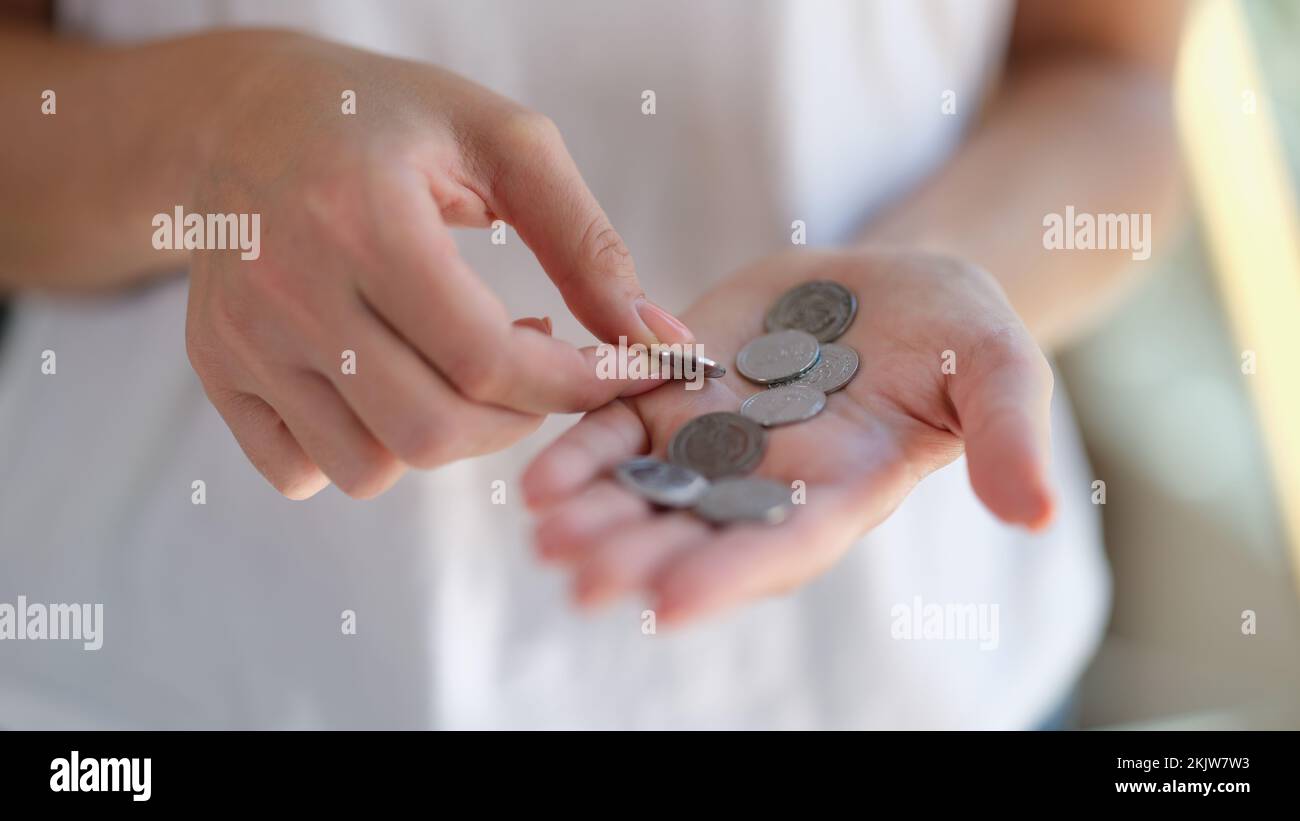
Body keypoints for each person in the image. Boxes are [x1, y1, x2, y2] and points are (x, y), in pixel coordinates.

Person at [0, 0, 1183, 728]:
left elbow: (1111, 76)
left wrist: (942, 262)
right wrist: (218, 134)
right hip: (158, 675)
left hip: (897, 680)